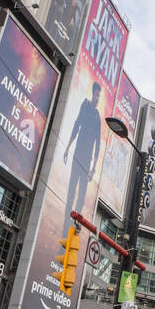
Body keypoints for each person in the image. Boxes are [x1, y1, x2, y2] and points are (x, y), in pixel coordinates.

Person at [63, 79, 104, 220]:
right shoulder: (85, 106)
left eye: (100, 96)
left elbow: (98, 145)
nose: (98, 98)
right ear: (93, 94)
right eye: (97, 95)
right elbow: (76, 126)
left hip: (87, 161)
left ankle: (76, 223)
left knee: (81, 194)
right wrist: (67, 147)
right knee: (71, 189)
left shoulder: (98, 118)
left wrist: (93, 168)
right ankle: (66, 219)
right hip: (77, 155)